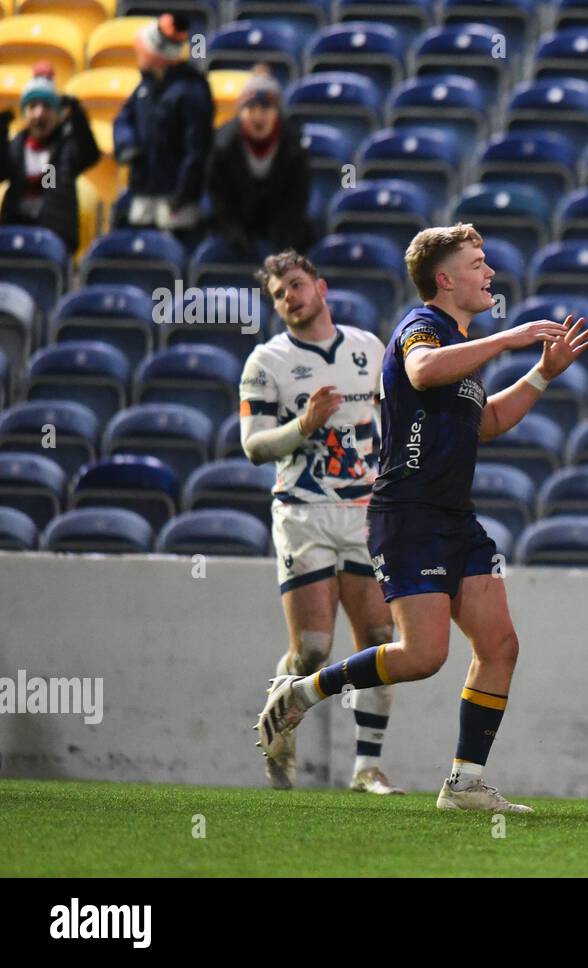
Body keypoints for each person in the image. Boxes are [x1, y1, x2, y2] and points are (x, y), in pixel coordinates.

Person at [256, 224, 588, 812]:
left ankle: (463, 783)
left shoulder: (460, 341)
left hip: (455, 517)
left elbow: (484, 422)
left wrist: (541, 374)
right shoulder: (422, 328)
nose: (489, 273)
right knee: (422, 656)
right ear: (446, 279)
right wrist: (508, 338)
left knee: (500, 644)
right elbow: (422, 372)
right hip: (407, 513)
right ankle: (303, 692)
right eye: (478, 263)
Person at [240, 250, 402, 793]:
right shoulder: (266, 362)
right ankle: (280, 726)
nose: (289, 298)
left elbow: (392, 421)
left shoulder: (367, 348)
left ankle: (366, 768)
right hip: (304, 512)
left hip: (364, 510)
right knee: (313, 647)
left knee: (379, 636)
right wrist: (303, 425)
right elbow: (254, 447)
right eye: (279, 294)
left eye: (295, 285)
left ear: (321, 286)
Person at [113, 13, 213, 241]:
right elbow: (123, 119)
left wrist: (182, 195)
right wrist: (127, 145)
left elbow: (197, 149)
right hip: (144, 191)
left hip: (176, 203)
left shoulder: (192, 90)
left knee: (173, 263)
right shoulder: (145, 87)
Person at [206, 65, 313, 254]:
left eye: (265, 107)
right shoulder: (223, 146)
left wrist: (283, 232)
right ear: (240, 112)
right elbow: (219, 198)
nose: (258, 115)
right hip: (237, 227)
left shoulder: (294, 145)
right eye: (251, 107)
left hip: (282, 227)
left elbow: (298, 198)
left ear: (277, 113)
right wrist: (233, 230)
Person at [0, 65, 100, 252]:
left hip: (54, 236)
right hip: (14, 233)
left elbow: (89, 155)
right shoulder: (17, 147)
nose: (40, 114)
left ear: (57, 114)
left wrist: (78, 119)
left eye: (46, 107)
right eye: (33, 107)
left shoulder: (64, 148)